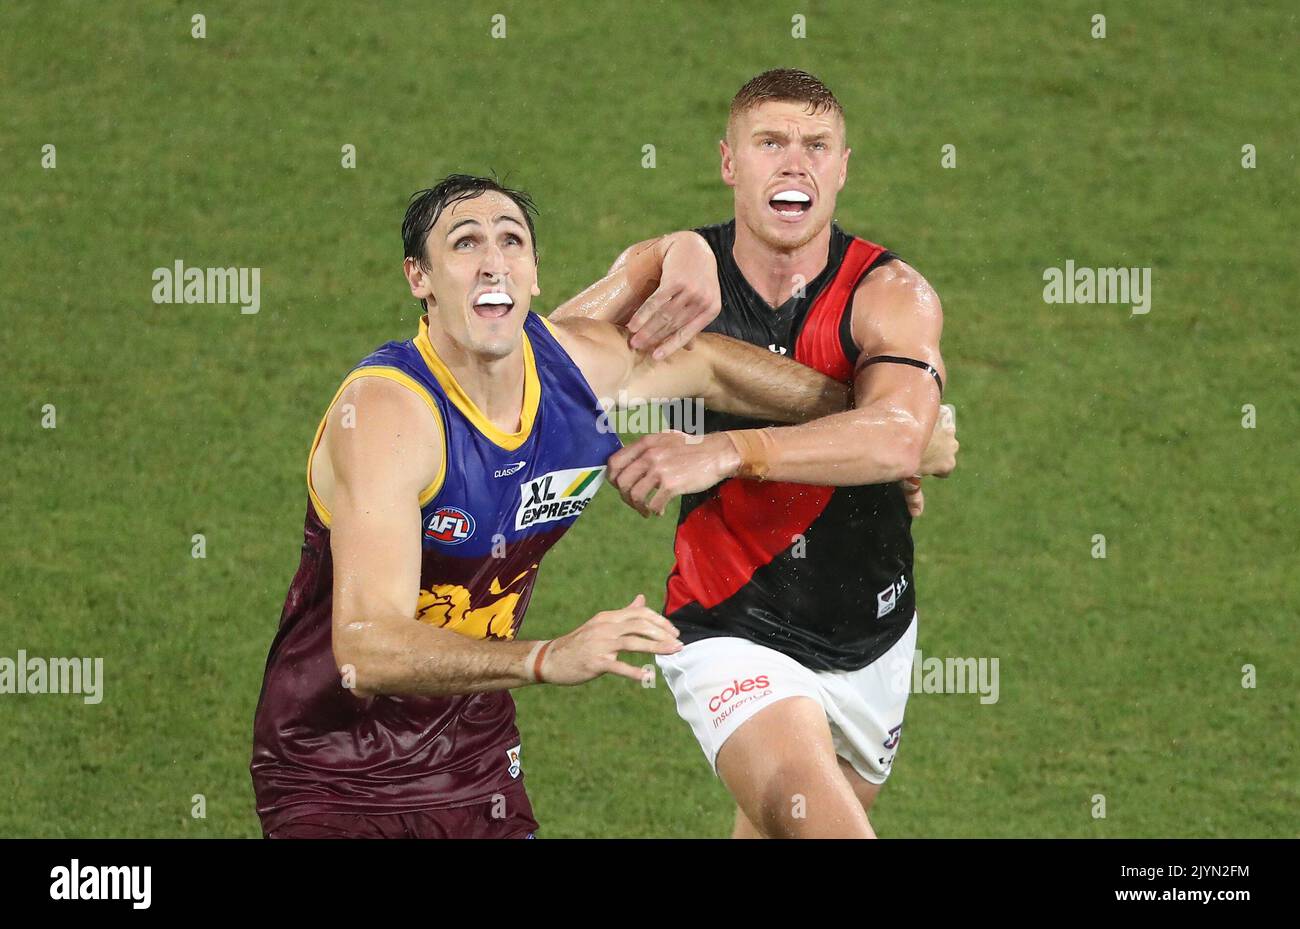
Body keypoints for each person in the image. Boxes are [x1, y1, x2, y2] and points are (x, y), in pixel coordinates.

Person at [249, 173, 893, 838]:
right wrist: (544, 657)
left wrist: (881, 427)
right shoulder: (388, 414)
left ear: (533, 274)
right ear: (420, 277)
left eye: (511, 241)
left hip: (472, 762)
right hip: (332, 769)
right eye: (465, 243)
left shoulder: (569, 372)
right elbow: (365, 647)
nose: (492, 260)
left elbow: (713, 368)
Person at [554, 69, 958, 838]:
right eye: (770, 142)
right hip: (728, 622)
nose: (793, 163)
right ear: (729, 161)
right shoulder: (675, 283)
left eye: (816, 145)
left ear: (843, 167)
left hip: (872, 632)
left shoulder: (891, 292)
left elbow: (902, 435)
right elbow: (537, 374)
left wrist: (726, 450)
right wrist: (657, 252)